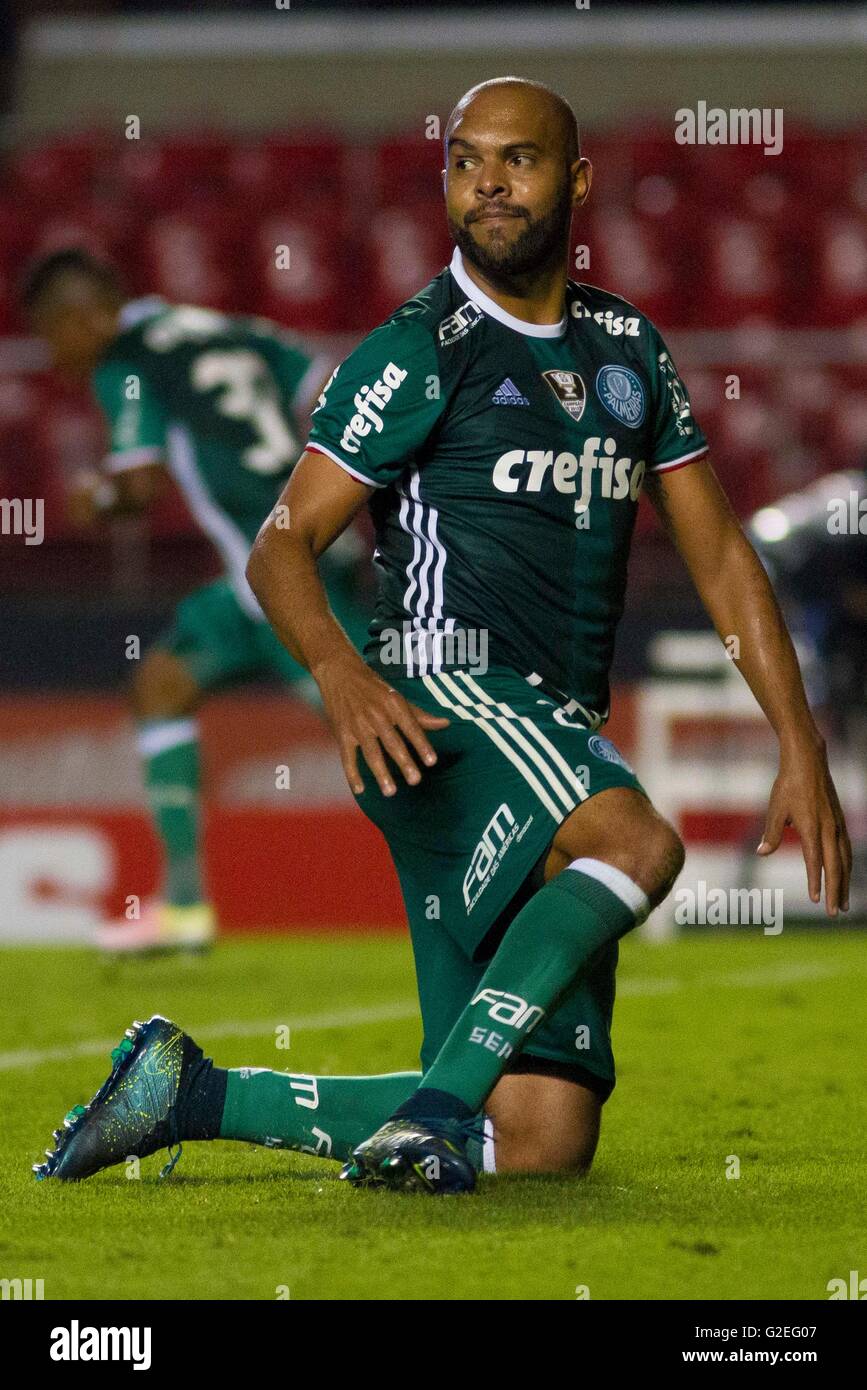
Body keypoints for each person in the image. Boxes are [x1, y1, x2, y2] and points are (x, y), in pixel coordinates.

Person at [33, 79, 850, 1193]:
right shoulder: (419, 349)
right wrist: (341, 673)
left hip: (549, 724)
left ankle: (193, 1093)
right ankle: (428, 1112)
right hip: (440, 700)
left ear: (576, 180)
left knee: (541, 1138)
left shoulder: (629, 348)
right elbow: (281, 547)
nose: (489, 185)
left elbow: (717, 555)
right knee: (637, 843)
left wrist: (798, 744)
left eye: (517, 161)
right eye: (467, 163)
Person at [22, 250, 368, 953]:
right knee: (162, 684)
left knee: (387, 742)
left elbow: (140, 486)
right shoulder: (226, 328)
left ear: (81, 316)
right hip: (287, 559)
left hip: (285, 581)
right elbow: (335, 385)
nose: (56, 356)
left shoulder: (126, 360)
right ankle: (182, 905)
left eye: (52, 333)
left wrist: (97, 497)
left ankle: (541, 871)